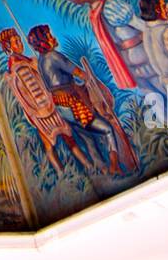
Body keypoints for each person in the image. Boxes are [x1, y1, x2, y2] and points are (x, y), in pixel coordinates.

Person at [26, 25, 137, 175]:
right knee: (107, 129)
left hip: (62, 107)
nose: (53, 37)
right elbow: (80, 73)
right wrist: (87, 76)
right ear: (44, 41)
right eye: (49, 36)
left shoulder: (41, 61)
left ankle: (102, 169)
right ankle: (114, 166)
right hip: (73, 105)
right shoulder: (54, 56)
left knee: (87, 138)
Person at [0, 28, 87, 173]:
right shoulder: (17, 65)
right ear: (9, 46)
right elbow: (29, 90)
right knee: (49, 143)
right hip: (40, 111)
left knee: (67, 136)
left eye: (19, 40)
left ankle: (86, 166)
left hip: (48, 106)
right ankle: (62, 173)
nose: (20, 44)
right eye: (15, 42)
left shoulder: (27, 60)